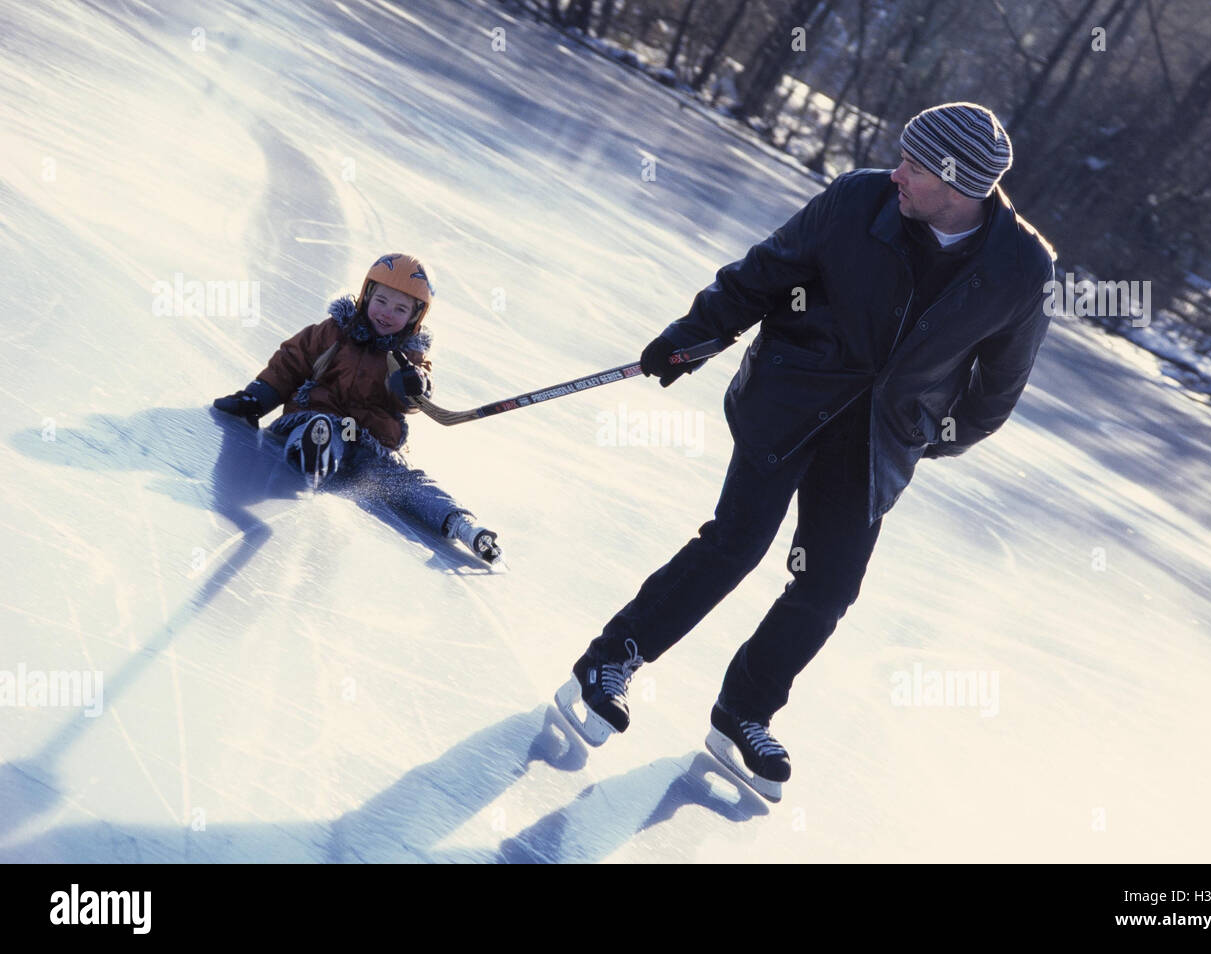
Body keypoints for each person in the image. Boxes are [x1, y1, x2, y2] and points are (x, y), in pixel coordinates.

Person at [557, 103, 1056, 800]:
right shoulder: (861, 201)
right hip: (792, 400)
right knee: (736, 543)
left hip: (877, 441)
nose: (897, 173)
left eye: (914, 165)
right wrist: (692, 338)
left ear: (958, 183)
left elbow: (998, 386)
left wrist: (927, 437)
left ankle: (744, 714)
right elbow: (761, 275)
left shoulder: (1022, 268)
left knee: (828, 587)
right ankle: (611, 660)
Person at [212, 253, 502, 565]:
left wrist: (412, 385)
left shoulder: (409, 359)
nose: (387, 313)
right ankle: (313, 452)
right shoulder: (333, 332)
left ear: (416, 317)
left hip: (370, 443)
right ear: (366, 295)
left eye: (400, 308)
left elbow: (417, 396)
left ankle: (462, 525)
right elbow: (291, 362)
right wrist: (257, 398)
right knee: (324, 427)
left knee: (406, 481)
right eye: (382, 300)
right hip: (323, 416)